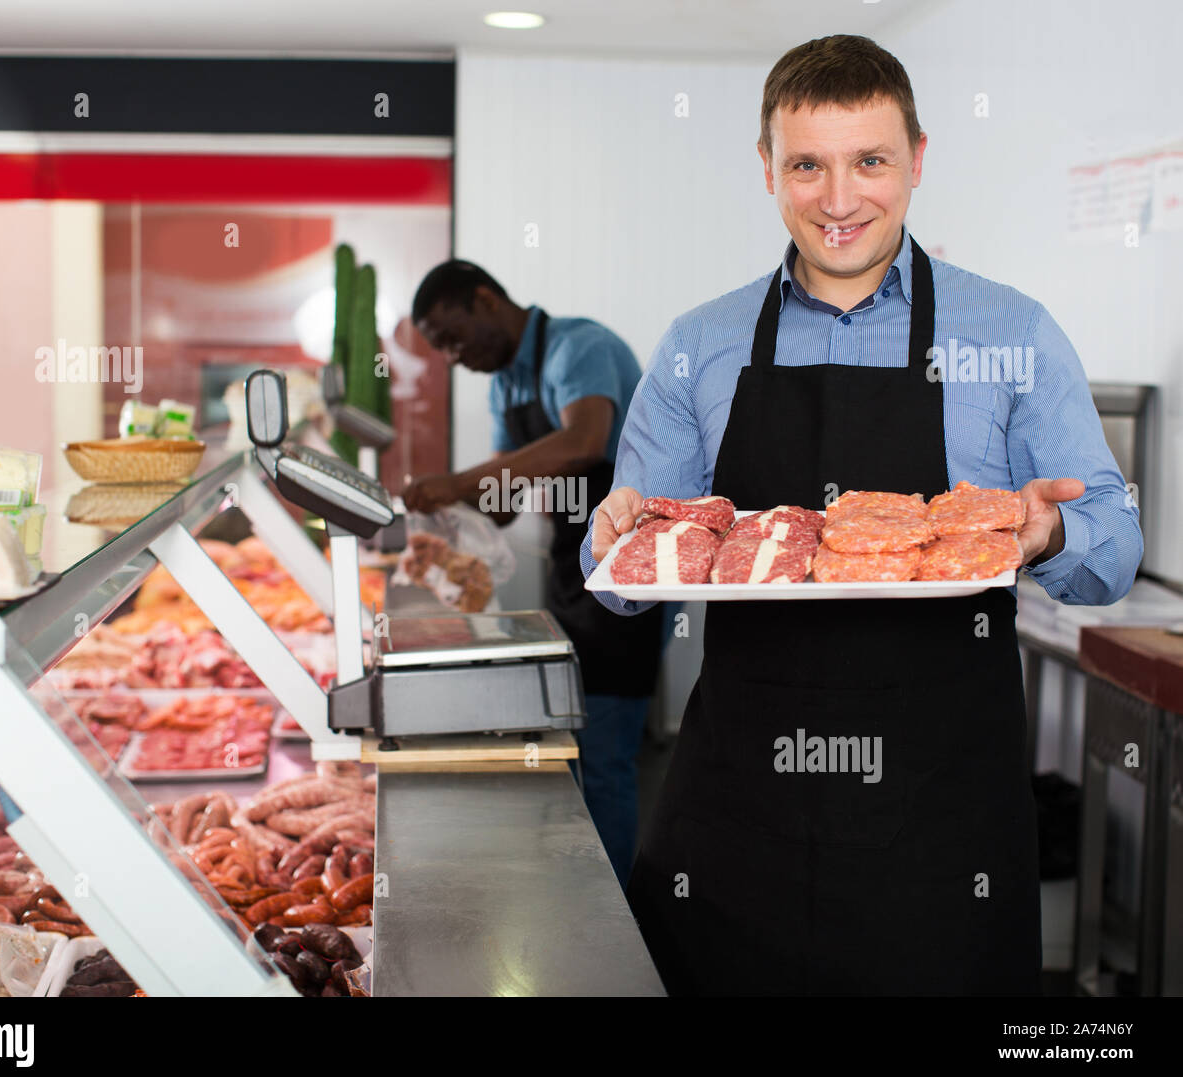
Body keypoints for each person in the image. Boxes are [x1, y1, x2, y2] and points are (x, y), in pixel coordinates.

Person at [583, 35, 1143, 995]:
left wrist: (1050, 532)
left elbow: (1115, 549)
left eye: (870, 161)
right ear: (769, 170)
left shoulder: (1011, 334)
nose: (838, 200)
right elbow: (635, 580)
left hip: (939, 822)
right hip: (741, 807)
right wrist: (612, 534)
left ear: (918, 159)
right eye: (808, 164)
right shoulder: (701, 346)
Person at [405, 260, 666, 883]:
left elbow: (583, 440)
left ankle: (618, 915)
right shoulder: (505, 386)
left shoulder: (581, 347)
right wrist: (443, 525)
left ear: (486, 300)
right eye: (440, 349)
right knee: (565, 744)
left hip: (624, 567)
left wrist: (456, 481)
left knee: (603, 752)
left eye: (452, 337)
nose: (454, 357)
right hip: (567, 570)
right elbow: (500, 505)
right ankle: (581, 891)